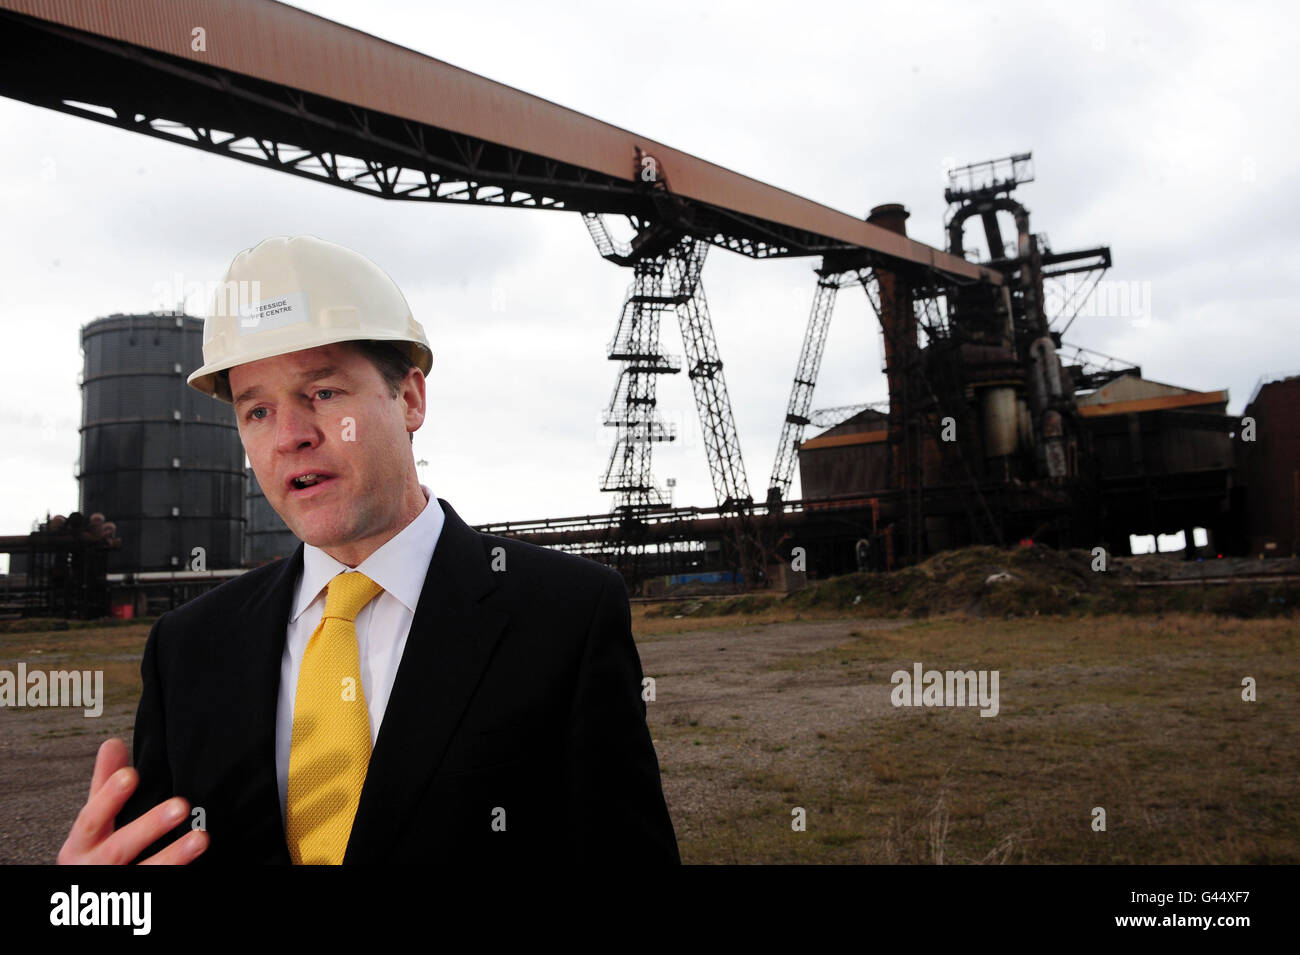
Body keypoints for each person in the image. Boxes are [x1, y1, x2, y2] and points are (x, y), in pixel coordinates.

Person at [58, 235, 680, 865]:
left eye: (323, 394)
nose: (291, 438)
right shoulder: (188, 648)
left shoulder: (564, 617)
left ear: (410, 399)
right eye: (258, 412)